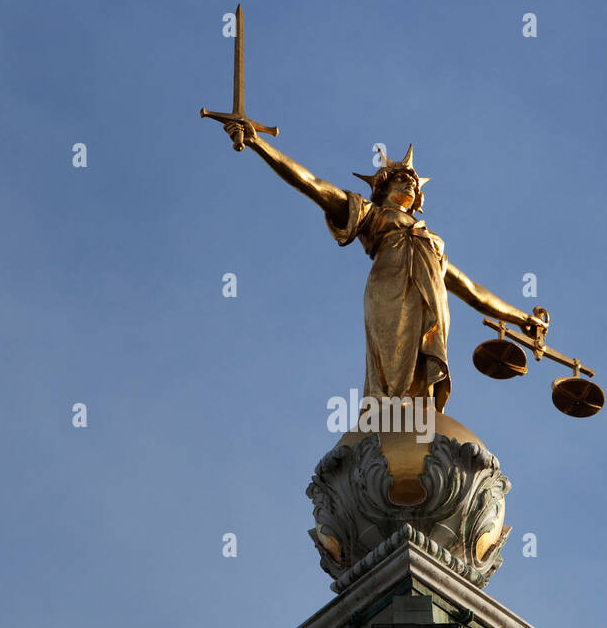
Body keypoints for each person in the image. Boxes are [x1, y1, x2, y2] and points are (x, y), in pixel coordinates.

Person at [221, 119, 545, 412]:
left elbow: (473, 291)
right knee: (393, 371)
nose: (411, 184)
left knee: (421, 382)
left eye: (414, 182)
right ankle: (388, 417)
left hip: (432, 306)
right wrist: (258, 143)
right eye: (402, 178)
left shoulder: (433, 241)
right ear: (383, 186)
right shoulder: (372, 215)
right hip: (391, 294)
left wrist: (520, 319)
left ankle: (417, 419)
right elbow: (312, 184)